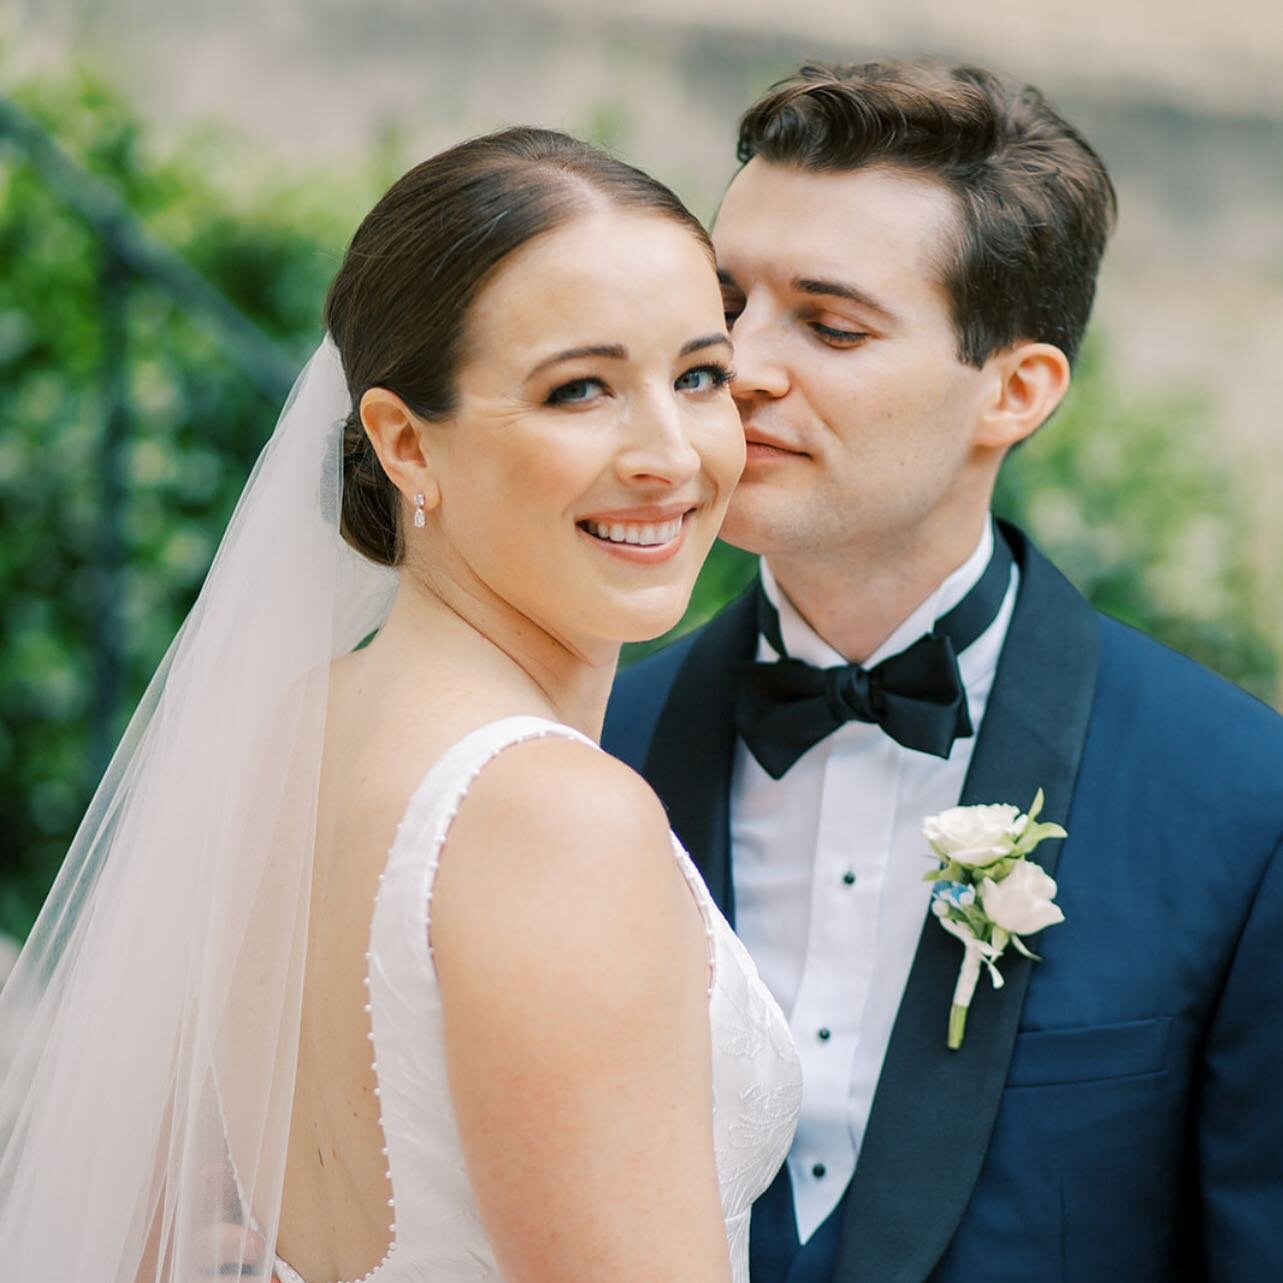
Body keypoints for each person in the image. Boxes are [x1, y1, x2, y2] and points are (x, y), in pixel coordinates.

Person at [0, 128, 801, 1283]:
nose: (670, 453)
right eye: (579, 388)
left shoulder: (292, 734)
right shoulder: (556, 822)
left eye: (697, 375)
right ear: (403, 443)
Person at [604, 60, 1283, 1283]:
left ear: (1013, 392)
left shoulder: (1244, 804)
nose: (737, 366)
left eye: (829, 323)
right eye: (724, 304)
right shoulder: (579, 759)